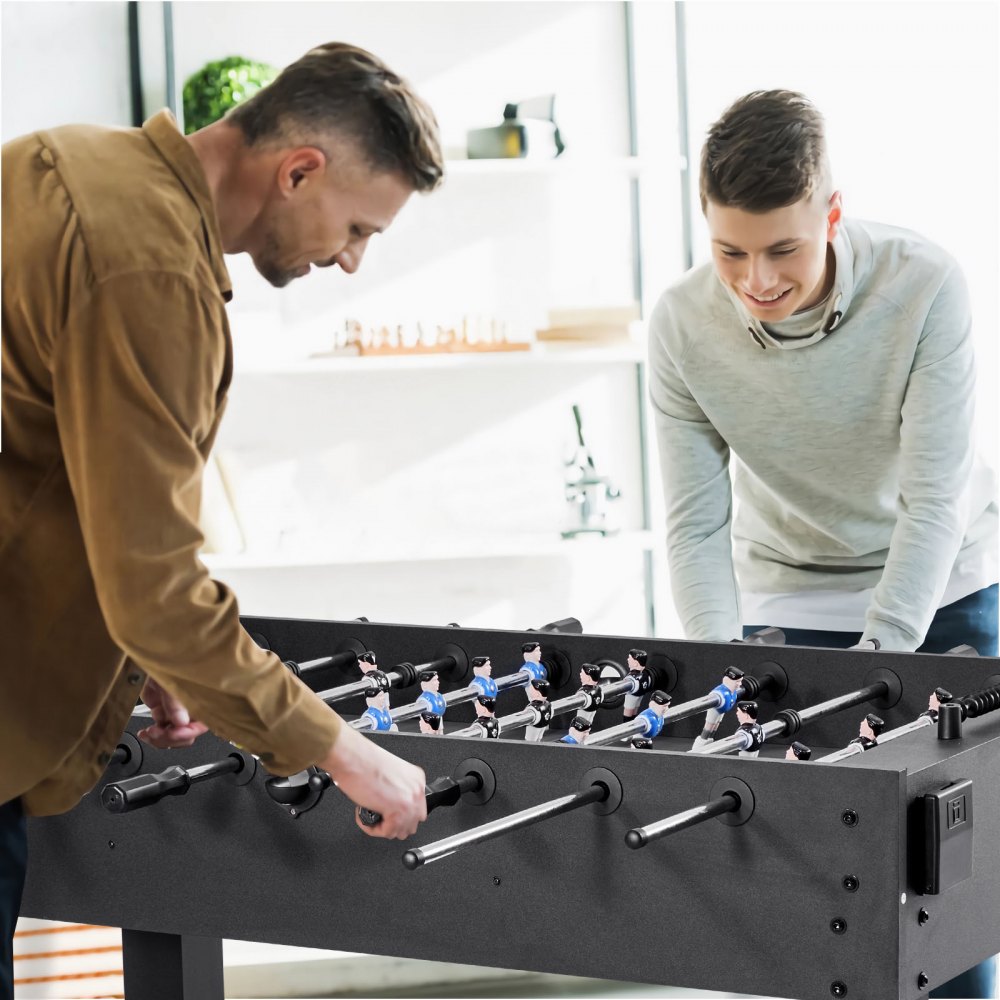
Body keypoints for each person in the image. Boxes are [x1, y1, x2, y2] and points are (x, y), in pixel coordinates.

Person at [0, 40, 444, 994]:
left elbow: (48, 466)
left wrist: (134, 658)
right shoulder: (151, 271)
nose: (353, 259)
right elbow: (158, 590)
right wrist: (350, 756)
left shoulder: (59, 159)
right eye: (359, 226)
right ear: (298, 170)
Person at [648, 88, 998, 998]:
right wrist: (720, 664)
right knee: (800, 903)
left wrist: (889, 663)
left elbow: (934, 498)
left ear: (831, 214)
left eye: (783, 250)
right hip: (787, 601)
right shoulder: (683, 324)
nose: (757, 281)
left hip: (944, 588)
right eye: (730, 251)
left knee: (947, 901)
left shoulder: (926, 284)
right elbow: (694, 519)